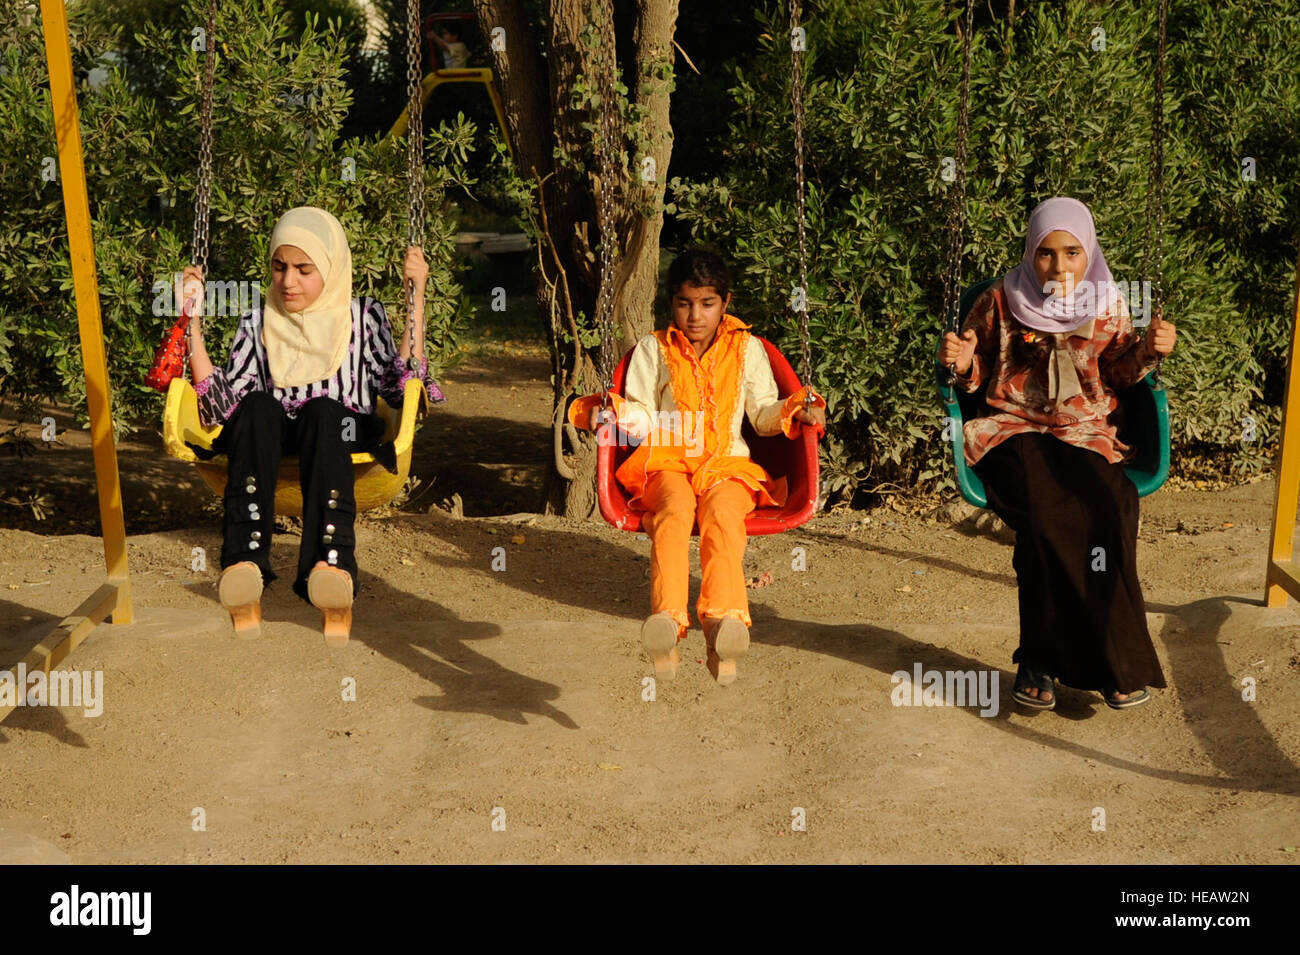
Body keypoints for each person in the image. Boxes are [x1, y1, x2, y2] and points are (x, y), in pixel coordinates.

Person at [938, 196, 1177, 711]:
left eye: (1071, 252)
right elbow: (973, 380)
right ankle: (1045, 659)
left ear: (1088, 251)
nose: (1060, 266)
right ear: (1030, 252)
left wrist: (1150, 352)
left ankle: (1104, 663)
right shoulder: (1001, 300)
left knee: (1111, 509)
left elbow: (1118, 375)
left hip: (1083, 430)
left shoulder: (1108, 302)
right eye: (1047, 253)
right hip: (1011, 428)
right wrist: (959, 364)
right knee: (1048, 517)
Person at [184, 206, 443, 646]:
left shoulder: (363, 317)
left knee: (323, 411)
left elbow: (399, 387)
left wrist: (415, 297)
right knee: (258, 407)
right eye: (280, 267)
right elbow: (223, 408)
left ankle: (332, 563)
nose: (288, 281)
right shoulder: (258, 322)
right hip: (277, 439)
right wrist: (191, 320)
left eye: (305, 270)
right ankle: (244, 563)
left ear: (331, 268)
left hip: (339, 433)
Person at [569, 250, 826, 685]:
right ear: (673, 303)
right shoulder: (654, 349)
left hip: (728, 465)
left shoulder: (748, 349)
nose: (695, 316)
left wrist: (796, 408)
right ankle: (667, 622)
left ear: (726, 303)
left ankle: (723, 624)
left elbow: (763, 415)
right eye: (685, 304)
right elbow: (645, 415)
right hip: (667, 462)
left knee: (723, 515)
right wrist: (614, 414)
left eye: (707, 304)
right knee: (673, 512)